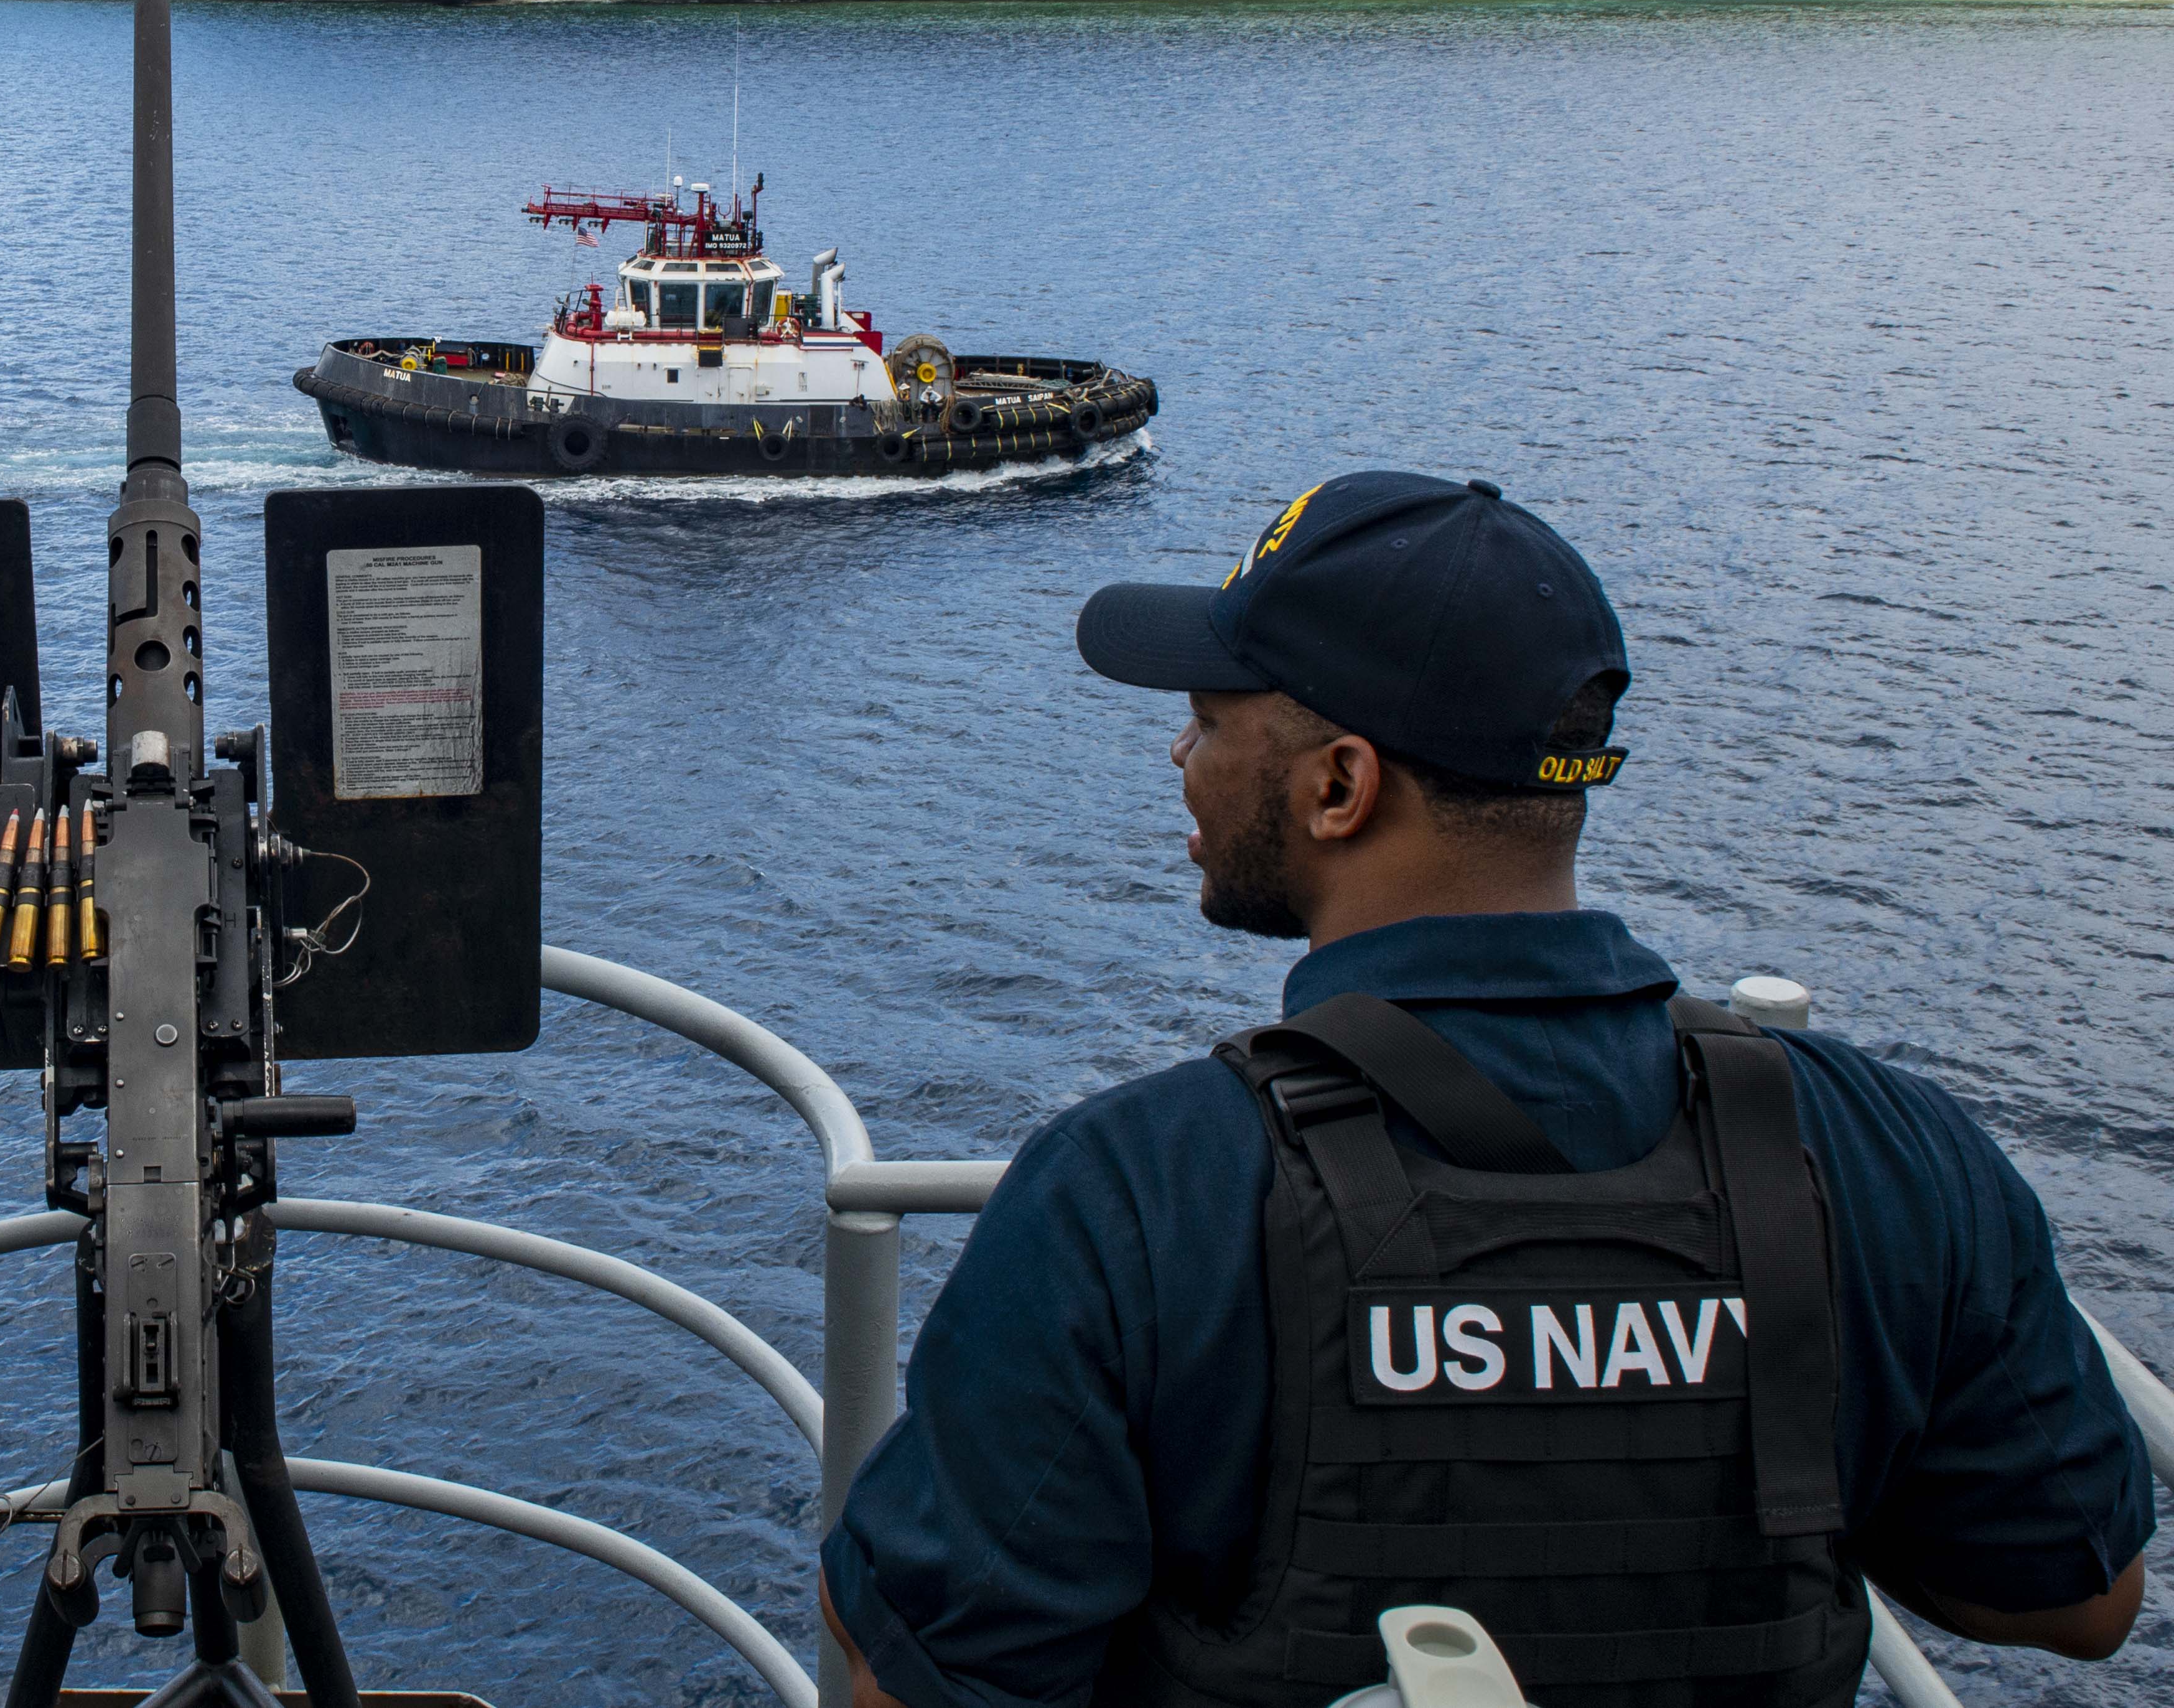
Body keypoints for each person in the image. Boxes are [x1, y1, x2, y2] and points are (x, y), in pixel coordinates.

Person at [823, 472, 2152, 1708]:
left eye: (1211, 721)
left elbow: (915, 1676)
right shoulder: (1888, 1151)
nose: (1181, 755)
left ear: (1341, 784)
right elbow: (2083, 1597)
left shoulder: (1133, 1199)